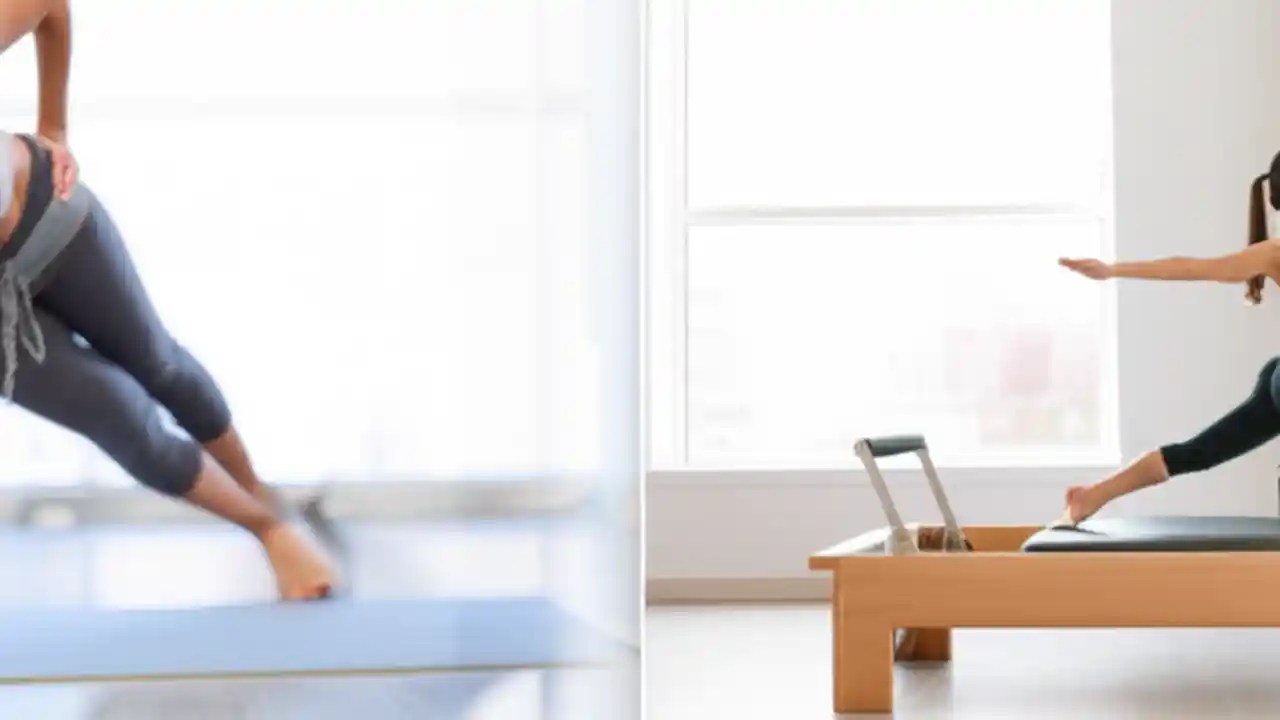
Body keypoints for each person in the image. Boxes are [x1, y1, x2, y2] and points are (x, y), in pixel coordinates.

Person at [0, 0, 336, 601]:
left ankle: (260, 491)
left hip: (50, 221)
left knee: (159, 366)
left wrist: (55, 129)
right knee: (124, 421)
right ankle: (268, 528)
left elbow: (48, 5)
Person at [1055, 151, 1280, 527]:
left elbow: (1194, 266)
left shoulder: (1271, 252)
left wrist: (1112, 270)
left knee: (1199, 452)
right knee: (1201, 451)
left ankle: (1090, 497)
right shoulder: (1274, 252)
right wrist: (1112, 270)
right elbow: (1191, 267)